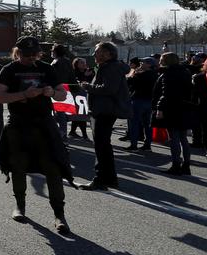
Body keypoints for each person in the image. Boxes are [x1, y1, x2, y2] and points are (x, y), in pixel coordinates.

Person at [0, 36, 74, 232]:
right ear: (18, 52)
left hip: (44, 125)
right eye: (27, 54)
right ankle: (20, 206)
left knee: (53, 169)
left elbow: (63, 94)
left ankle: (59, 215)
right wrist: (23, 95)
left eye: (34, 54)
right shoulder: (9, 69)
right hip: (18, 125)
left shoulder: (47, 68)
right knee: (18, 167)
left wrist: (52, 93)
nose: (31, 58)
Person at [79, 42, 130, 189]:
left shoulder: (111, 67)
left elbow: (109, 89)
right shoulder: (110, 66)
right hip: (104, 110)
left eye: (98, 52)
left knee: (101, 147)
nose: (95, 54)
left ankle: (101, 179)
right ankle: (109, 179)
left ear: (108, 54)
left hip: (104, 110)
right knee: (103, 146)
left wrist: (88, 87)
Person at [153, 52, 194, 175]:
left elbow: (166, 94)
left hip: (172, 107)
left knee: (174, 138)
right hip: (185, 107)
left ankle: (176, 164)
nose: (159, 61)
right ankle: (186, 165)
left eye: (161, 59)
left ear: (166, 61)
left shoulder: (168, 73)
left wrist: (159, 108)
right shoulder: (186, 71)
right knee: (183, 138)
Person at [126, 56, 158, 152]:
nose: (141, 64)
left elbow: (129, 81)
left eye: (143, 62)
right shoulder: (156, 74)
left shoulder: (140, 75)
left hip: (138, 100)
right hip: (150, 101)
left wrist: (133, 71)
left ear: (149, 64)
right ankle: (147, 144)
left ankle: (134, 145)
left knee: (134, 123)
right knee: (147, 124)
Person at [68, 57, 94, 139]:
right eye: (82, 63)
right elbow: (77, 84)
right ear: (77, 64)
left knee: (79, 115)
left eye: (85, 62)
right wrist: (84, 76)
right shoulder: (74, 72)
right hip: (77, 96)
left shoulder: (89, 72)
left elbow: (92, 83)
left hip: (86, 96)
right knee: (81, 115)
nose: (84, 64)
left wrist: (88, 75)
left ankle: (72, 132)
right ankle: (84, 135)